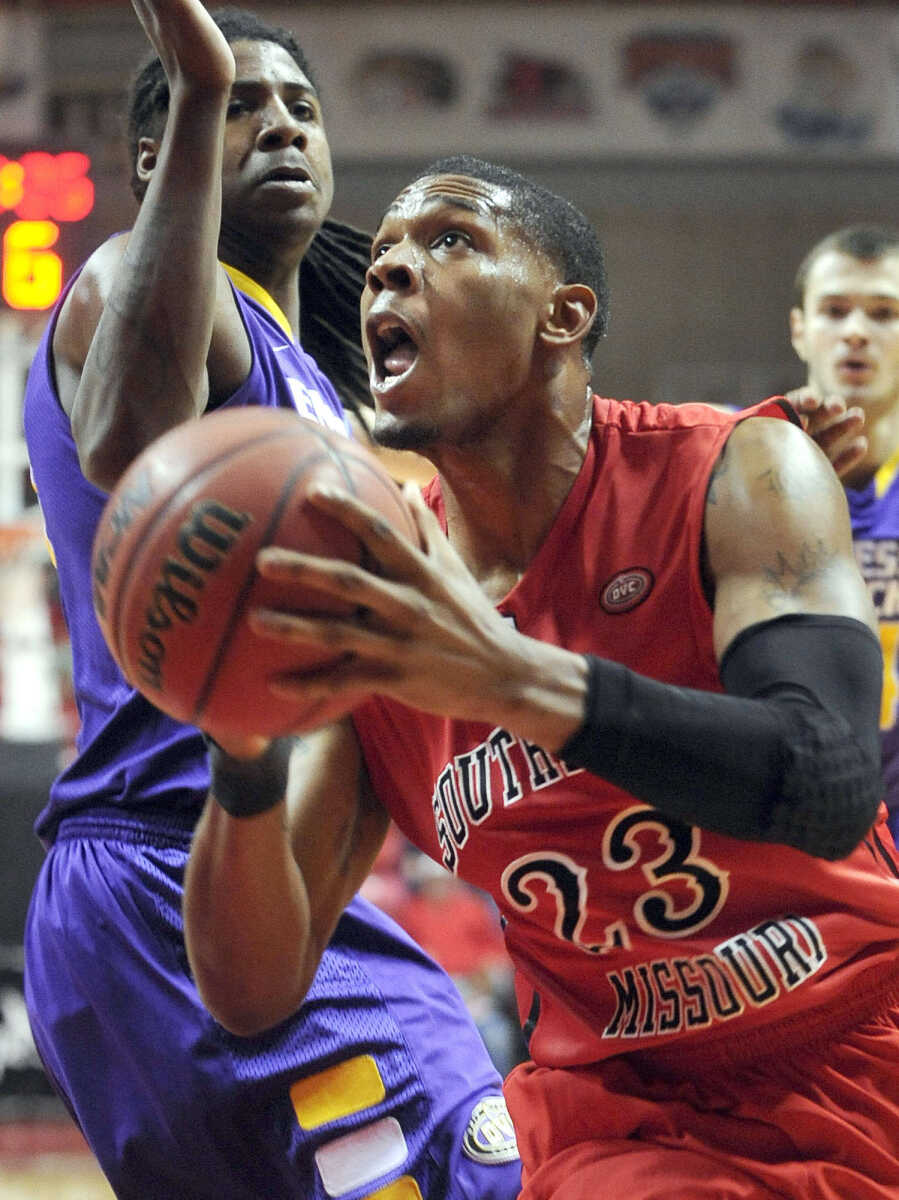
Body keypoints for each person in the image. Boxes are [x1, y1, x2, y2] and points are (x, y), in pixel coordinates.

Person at [184, 156, 899, 1199]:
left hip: (849, 1045)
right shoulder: (377, 611)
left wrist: (508, 677)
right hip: (612, 1106)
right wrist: (237, 747)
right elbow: (251, 988)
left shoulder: (736, 469)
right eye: (379, 261)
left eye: (447, 241)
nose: (388, 275)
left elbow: (829, 783)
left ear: (563, 315)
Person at [21, 6, 521, 1197]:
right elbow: (127, 444)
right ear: (159, 157)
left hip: (240, 883)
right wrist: (193, 87)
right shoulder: (127, 290)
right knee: (477, 1172)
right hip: (169, 858)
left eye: (300, 106)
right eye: (244, 103)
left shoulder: (319, 397)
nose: (279, 125)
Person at [789, 225, 899, 846]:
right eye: (834, 310)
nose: (856, 330)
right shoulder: (727, 474)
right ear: (800, 328)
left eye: (884, 312)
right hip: (795, 833)